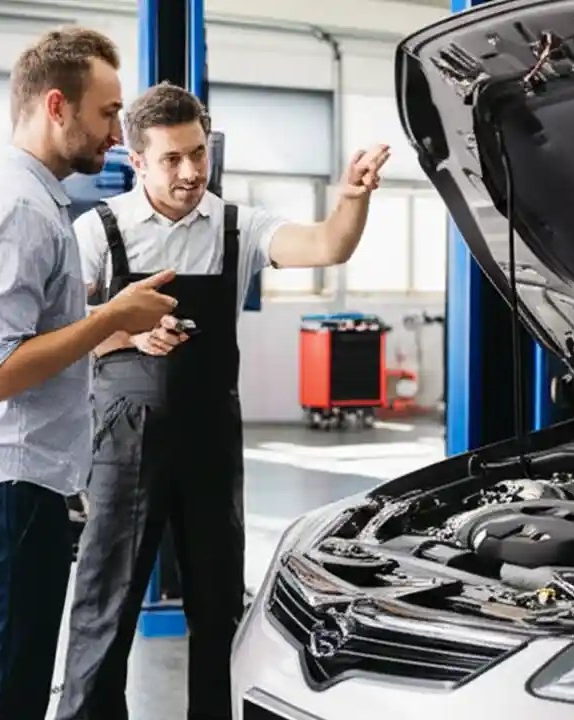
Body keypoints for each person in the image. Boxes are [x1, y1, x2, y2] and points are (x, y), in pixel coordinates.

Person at [55, 82, 391, 720]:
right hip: (125, 442)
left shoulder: (239, 225)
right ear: (137, 159)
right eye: (172, 159)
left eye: (198, 154)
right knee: (106, 600)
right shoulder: (98, 232)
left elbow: (327, 246)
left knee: (216, 606)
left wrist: (350, 198)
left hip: (211, 438)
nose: (189, 172)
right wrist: (121, 330)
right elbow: (60, 337)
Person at [0, 27, 181, 720]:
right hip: (11, 494)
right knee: (3, 703)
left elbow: (36, 340)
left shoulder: (31, 197)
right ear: (55, 106)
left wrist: (115, 325)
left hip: (12, 489)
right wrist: (110, 318)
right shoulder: (19, 208)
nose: (116, 133)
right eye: (107, 114)